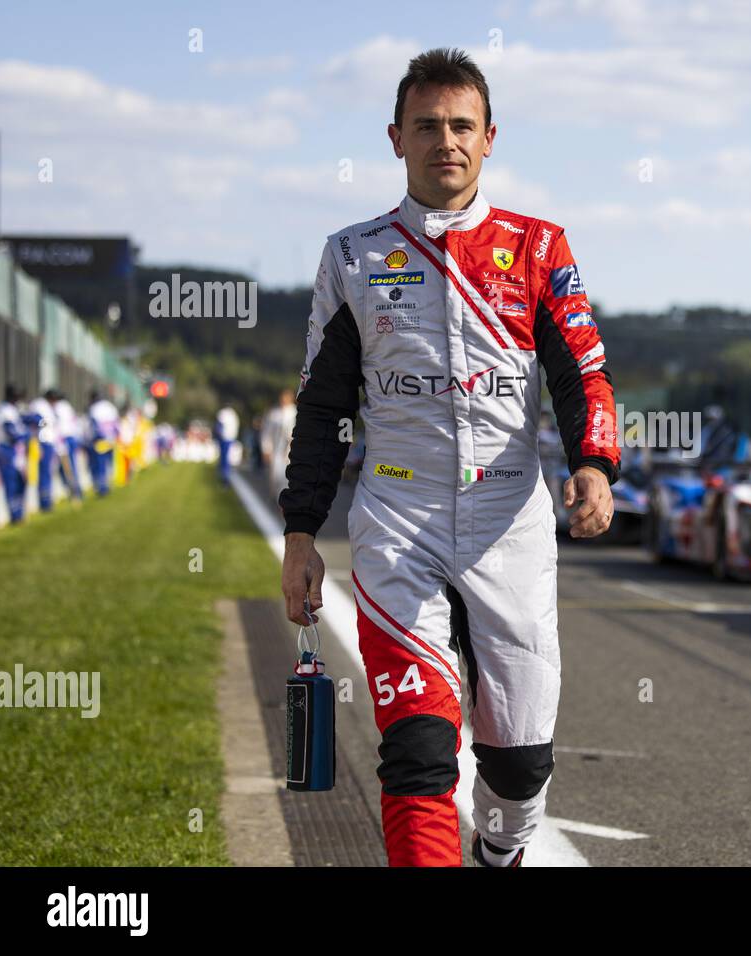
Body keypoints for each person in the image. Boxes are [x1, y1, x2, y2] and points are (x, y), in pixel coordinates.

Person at [277, 48, 620, 868]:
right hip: (400, 523)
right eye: (426, 125)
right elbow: (323, 409)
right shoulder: (352, 256)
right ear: (396, 137)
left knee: (517, 764)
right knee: (420, 751)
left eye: (461, 125)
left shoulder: (537, 247)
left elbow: (582, 370)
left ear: (490, 137)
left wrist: (595, 465)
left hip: (512, 526)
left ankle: (500, 849)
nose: (446, 142)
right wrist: (300, 534)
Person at [0, 386, 30, 524]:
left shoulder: (13, 409)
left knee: (21, 481)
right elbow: (12, 432)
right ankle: (15, 515)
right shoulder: (5, 410)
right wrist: (26, 435)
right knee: (11, 482)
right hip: (7, 449)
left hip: (16, 450)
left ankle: (19, 512)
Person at [260, 389, 298, 498]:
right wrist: (266, 449)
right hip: (276, 452)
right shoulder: (274, 414)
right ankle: (278, 499)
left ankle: (284, 504)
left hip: (290, 453)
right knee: (275, 479)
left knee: (287, 480)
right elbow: (266, 433)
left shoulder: (296, 413)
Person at [87, 391, 120, 497]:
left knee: (100, 464)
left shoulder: (95, 409)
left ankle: (102, 488)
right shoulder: (110, 407)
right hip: (111, 440)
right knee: (109, 463)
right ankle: (108, 484)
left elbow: (93, 427)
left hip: (100, 440)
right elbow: (117, 425)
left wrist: (91, 440)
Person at [52, 391, 84, 500]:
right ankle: (76, 491)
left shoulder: (58, 407)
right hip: (71, 438)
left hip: (63, 439)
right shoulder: (68, 407)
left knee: (67, 468)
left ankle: (75, 492)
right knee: (71, 467)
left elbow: (56, 425)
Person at [214, 405, 240, 485]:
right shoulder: (234, 415)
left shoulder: (224, 413)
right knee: (227, 458)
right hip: (230, 438)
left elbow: (219, 427)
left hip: (225, 439)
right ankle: (225, 475)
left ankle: (225, 477)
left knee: (225, 458)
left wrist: (219, 435)